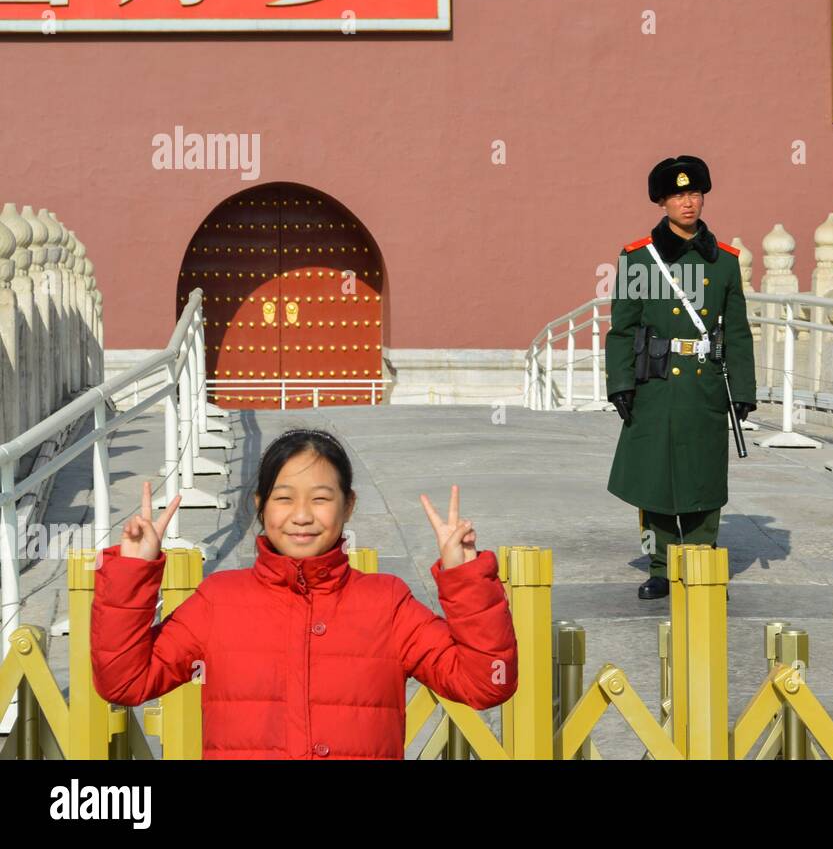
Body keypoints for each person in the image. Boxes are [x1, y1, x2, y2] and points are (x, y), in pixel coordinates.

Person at [91, 428, 518, 760]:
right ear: (260, 505)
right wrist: (132, 569)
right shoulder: (219, 601)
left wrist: (466, 577)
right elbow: (123, 681)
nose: (301, 516)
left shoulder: (386, 603)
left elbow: (486, 685)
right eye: (283, 498)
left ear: (348, 506)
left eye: (320, 498)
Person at [605, 154, 757, 600]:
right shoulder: (638, 260)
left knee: (703, 478)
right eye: (677, 195)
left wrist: (743, 390)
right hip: (655, 384)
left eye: (693, 194)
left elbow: (739, 330)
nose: (687, 203)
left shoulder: (725, 262)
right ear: (662, 202)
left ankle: (703, 564)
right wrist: (620, 383)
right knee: (654, 480)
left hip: (705, 384)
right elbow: (622, 328)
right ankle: (659, 566)